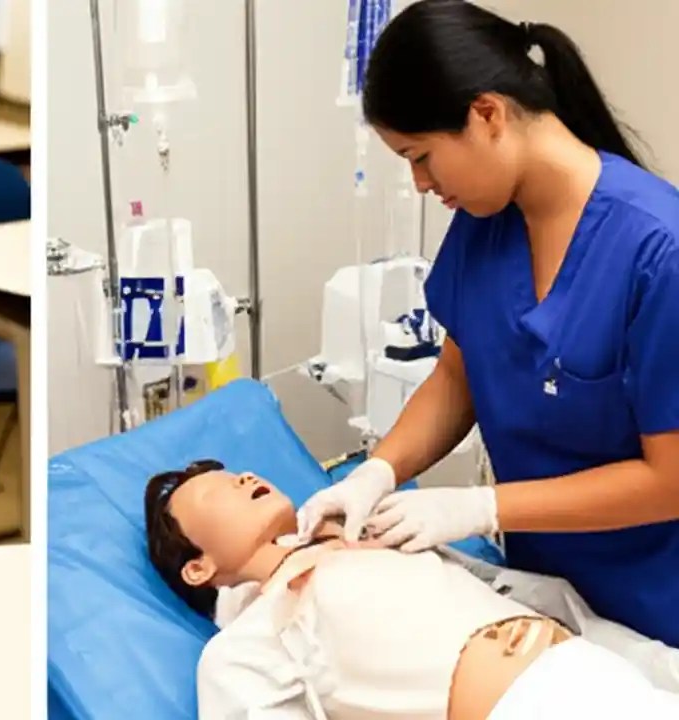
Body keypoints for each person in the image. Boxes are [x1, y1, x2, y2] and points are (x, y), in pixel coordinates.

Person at [296, 0, 679, 649]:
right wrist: (378, 470)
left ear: (487, 114)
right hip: (540, 596)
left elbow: (670, 480)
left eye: (420, 156)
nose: (419, 184)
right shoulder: (484, 221)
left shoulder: (657, 251)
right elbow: (458, 376)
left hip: (654, 612)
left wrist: (480, 507)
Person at [145, 460, 679, 719]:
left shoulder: (390, 537)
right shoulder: (249, 642)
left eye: (236, 472)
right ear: (198, 568)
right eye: (215, 492)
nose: (242, 478)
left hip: (598, 676)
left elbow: (537, 598)